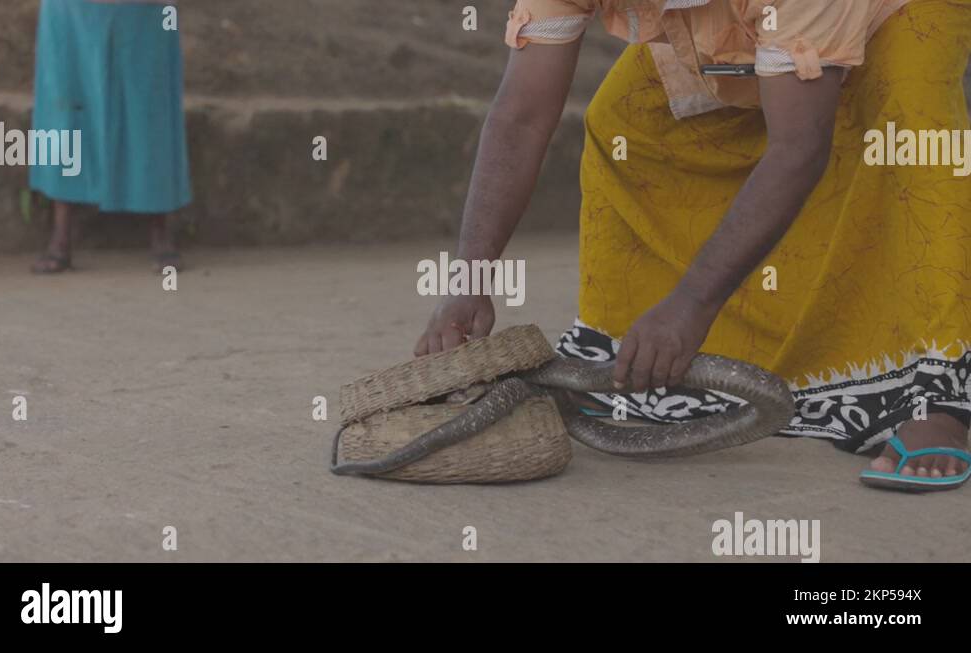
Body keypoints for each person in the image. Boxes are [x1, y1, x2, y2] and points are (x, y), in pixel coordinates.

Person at [416, 0, 971, 491]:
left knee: (909, 125)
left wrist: (691, 306)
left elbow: (799, 149)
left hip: (896, 12)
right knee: (625, 122)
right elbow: (521, 114)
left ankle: (937, 391)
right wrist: (469, 282)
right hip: (734, 23)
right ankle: (623, 359)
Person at [29, 0, 192, 274]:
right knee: (67, 108)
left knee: (150, 109)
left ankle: (161, 233)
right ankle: (61, 236)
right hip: (70, 9)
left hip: (146, 11)